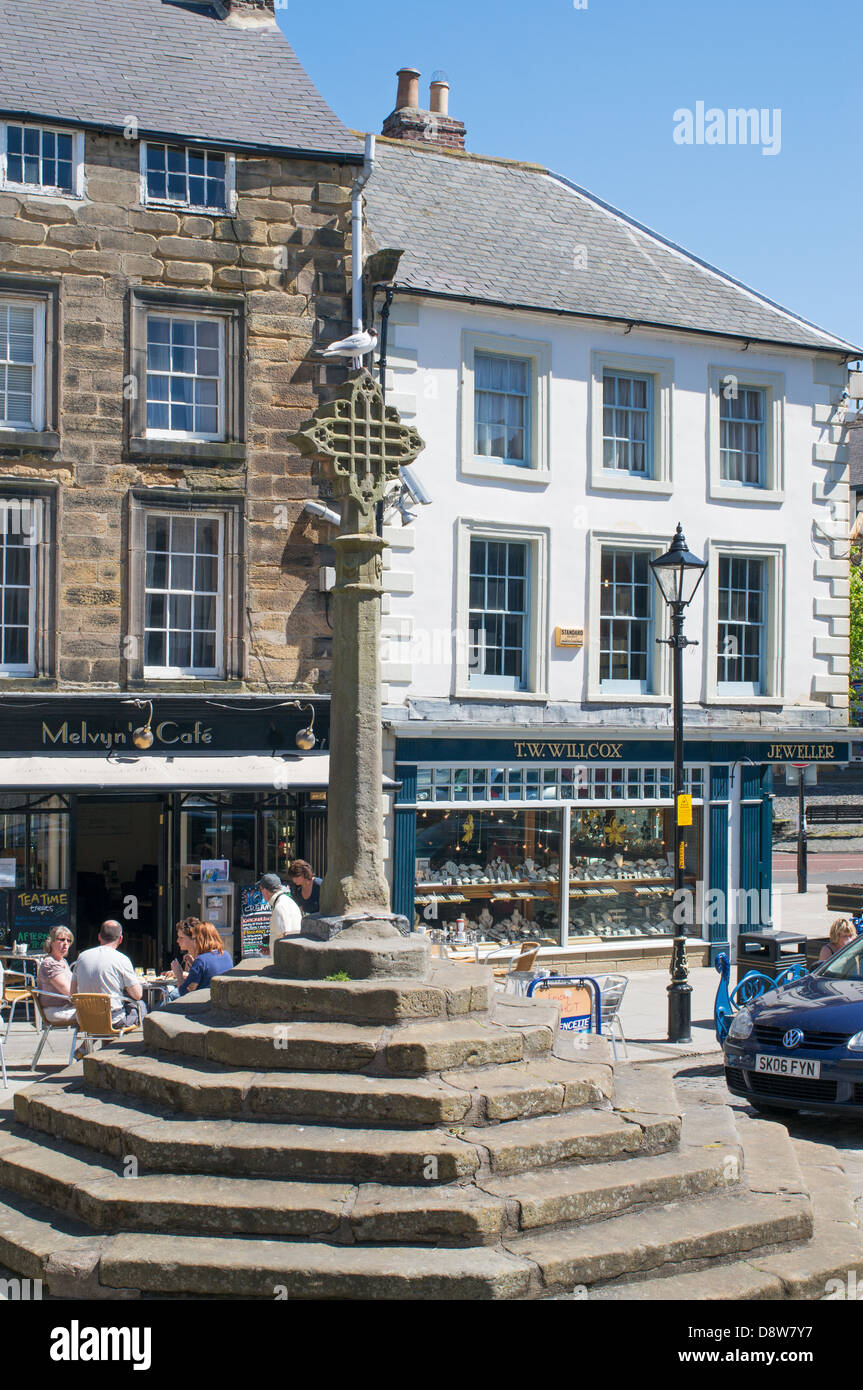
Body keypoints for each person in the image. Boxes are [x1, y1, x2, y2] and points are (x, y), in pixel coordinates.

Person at [72, 920, 146, 1030]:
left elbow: (72, 992)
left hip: (84, 1019)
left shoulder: (82, 957)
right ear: (120, 939)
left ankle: (86, 1046)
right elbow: (137, 995)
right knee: (142, 1005)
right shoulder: (122, 959)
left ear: (99, 937)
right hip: (113, 1020)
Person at [178, 919, 234, 995]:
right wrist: (194, 965)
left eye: (195, 938)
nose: (194, 942)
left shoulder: (201, 960)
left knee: (170, 994)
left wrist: (178, 975)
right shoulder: (227, 955)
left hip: (203, 1001)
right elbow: (206, 974)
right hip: (221, 998)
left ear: (200, 939)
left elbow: (185, 991)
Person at [36, 926, 76, 1023]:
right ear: (51, 942)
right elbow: (70, 992)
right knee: (95, 1014)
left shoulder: (63, 961)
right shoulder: (49, 964)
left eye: (69, 941)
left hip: (68, 1007)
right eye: (61, 940)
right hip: (56, 1010)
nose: (65, 943)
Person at [258, 872, 302, 956]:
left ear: (265, 890)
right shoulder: (287, 901)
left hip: (286, 963)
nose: (261, 893)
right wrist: (271, 949)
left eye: (261, 889)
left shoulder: (280, 906)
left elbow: (286, 936)